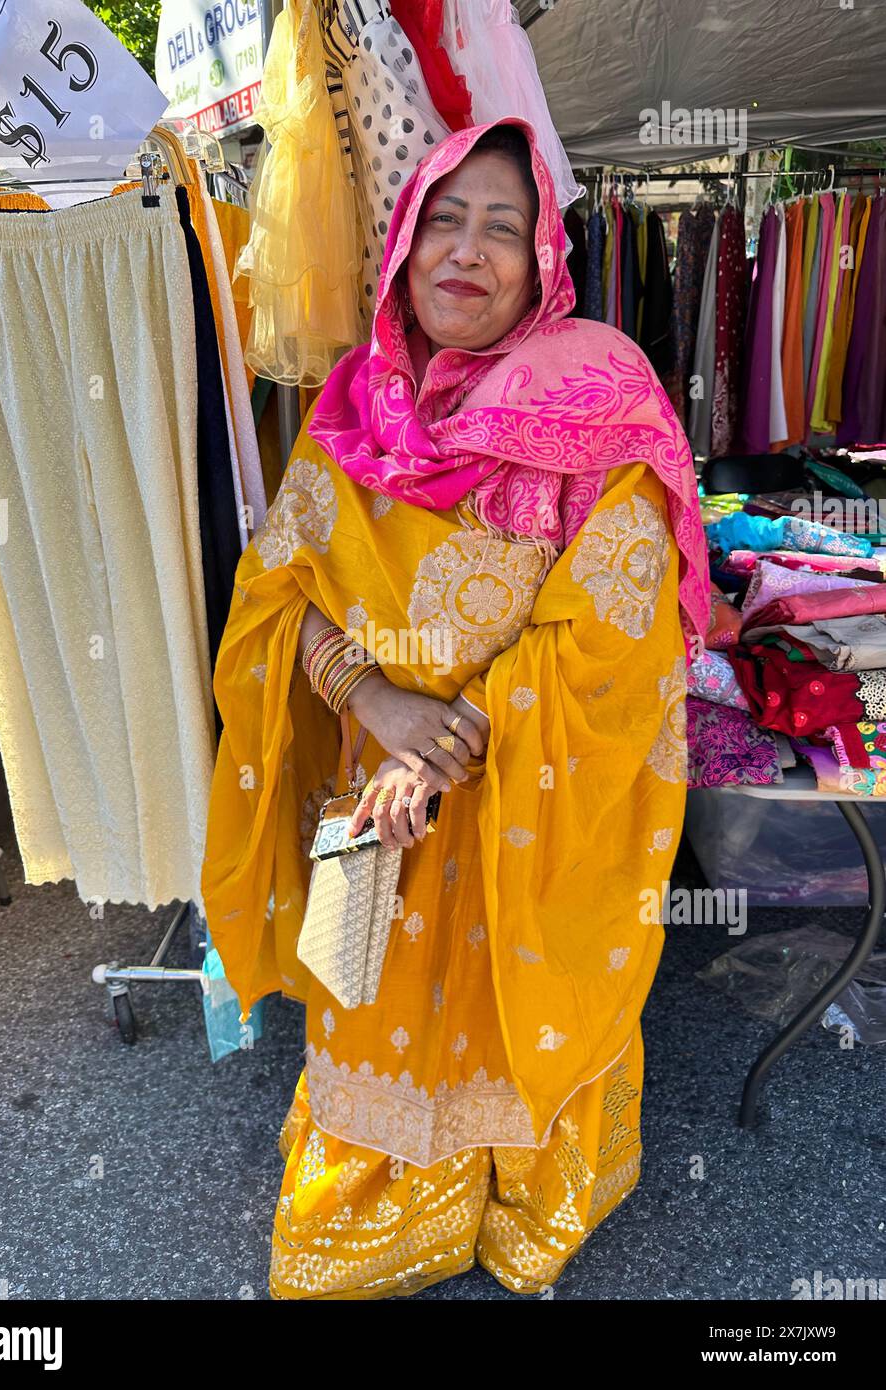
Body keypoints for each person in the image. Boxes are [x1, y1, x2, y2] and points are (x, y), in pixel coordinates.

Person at [201, 116, 710, 1300]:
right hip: (364, 788)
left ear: (543, 266)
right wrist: (370, 697)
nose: (469, 252)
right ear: (402, 245)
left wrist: (443, 749)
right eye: (445, 220)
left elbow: (612, 634)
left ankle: (525, 1202)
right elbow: (276, 599)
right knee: (362, 998)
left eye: (504, 229)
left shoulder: (597, 405)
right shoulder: (350, 410)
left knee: (507, 1012)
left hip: (524, 798)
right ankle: (381, 1221)